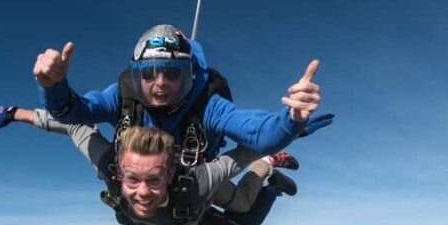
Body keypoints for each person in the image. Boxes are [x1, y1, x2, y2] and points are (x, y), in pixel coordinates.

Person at [0, 106, 296, 225]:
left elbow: (241, 153)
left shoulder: (198, 180)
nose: (142, 192)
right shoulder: (110, 167)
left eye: (153, 180)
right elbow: (73, 124)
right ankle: (266, 174)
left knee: (241, 215)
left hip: (192, 202)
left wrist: (288, 127)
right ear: (121, 173)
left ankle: (268, 173)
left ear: (169, 174)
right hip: (184, 215)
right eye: (133, 180)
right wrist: (13, 113)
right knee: (237, 208)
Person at [31, 24, 333, 163]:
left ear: (189, 75)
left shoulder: (206, 104)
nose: (160, 82)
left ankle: (268, 171)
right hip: (147, 181)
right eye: (148, 73)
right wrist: (53, 87)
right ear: (136, 76)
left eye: (172, 72)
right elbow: (75, 112)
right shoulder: (122, 96)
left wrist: (290, 121)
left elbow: (256, 132)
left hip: (194, 170)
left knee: (238, 214)